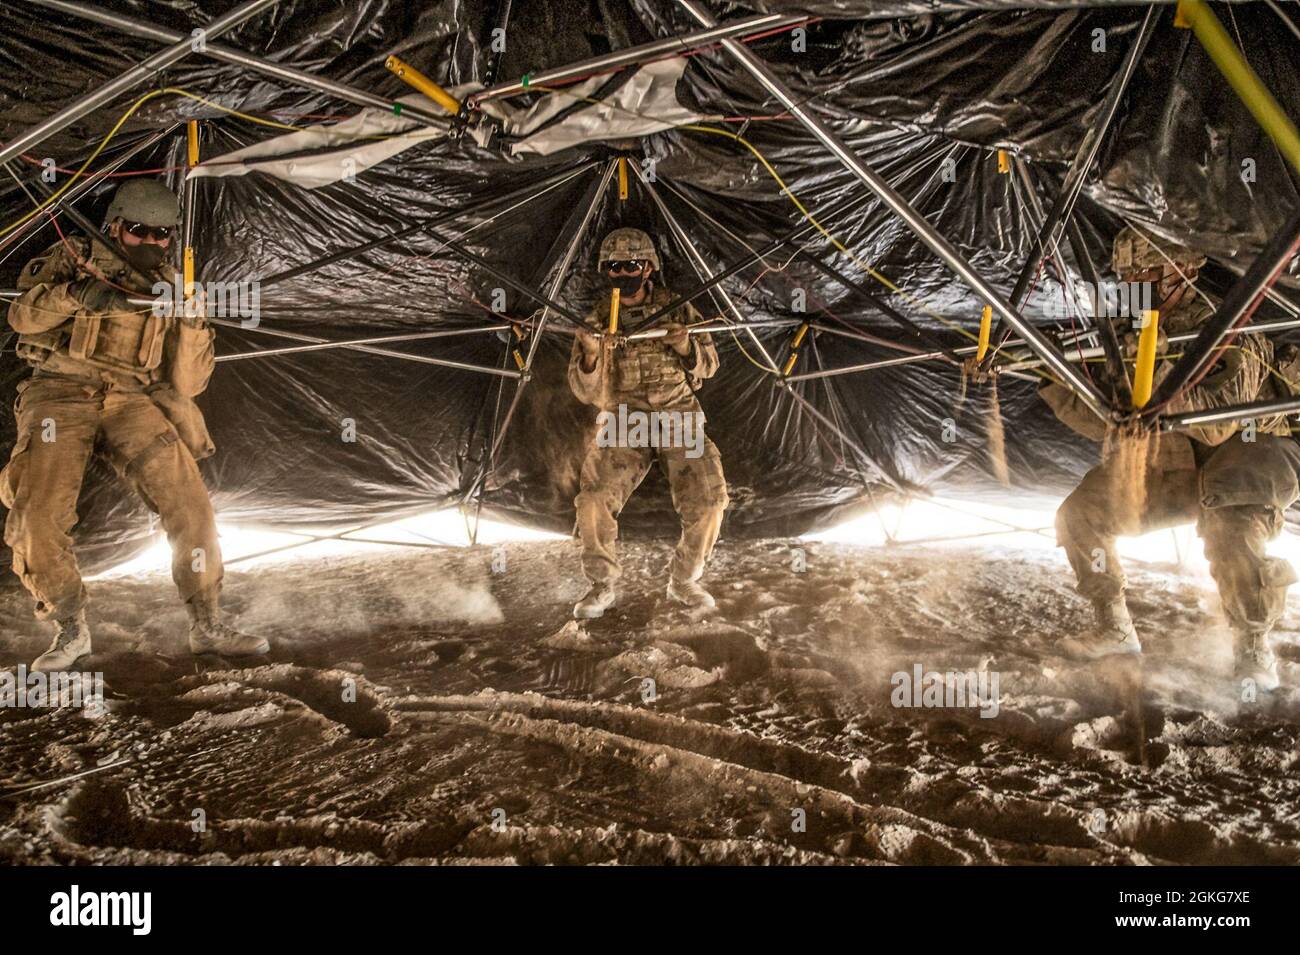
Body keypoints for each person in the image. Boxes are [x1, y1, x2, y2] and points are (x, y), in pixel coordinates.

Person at [1, 178, 268, 671]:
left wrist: (192, 322)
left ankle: (207, 623)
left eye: (162, 234)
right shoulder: (74, 256)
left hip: (132, 399)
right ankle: (69, 625)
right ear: (116, 226)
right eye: (140, 230)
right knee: (37, 514)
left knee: (191, 505)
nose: (151, 242)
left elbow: (187, 385)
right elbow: (22, 318)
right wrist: (80, 296)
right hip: (61, 392)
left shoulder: (173, 284)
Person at [1040, 226, 1300, 689]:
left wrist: (1156, 369)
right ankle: (1114, 626)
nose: (1135, 284)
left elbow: (1219, 424)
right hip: (1177, 468)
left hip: (1246, 461)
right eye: (1127, 275)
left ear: (1184, 270)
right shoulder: (1129, 332)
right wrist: (1049, 372)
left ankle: (1252, 644)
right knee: (1080, 513)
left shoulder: (1232, 328)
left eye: (1146, 273)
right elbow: (1101, 419)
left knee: (1228, 524)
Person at [568, 227, 729, 619]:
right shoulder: (596, 322)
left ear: (649, 268)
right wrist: (590, 355)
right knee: (592, 499)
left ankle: (685, 580)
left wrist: (686, 346)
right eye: (615, 267)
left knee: (710, 500)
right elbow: (585, 392)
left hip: (679, 417)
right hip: (625, 421)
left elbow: (709, 365)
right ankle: (601, 585)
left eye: (632, 265)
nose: (624, 274)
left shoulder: (679, 309)